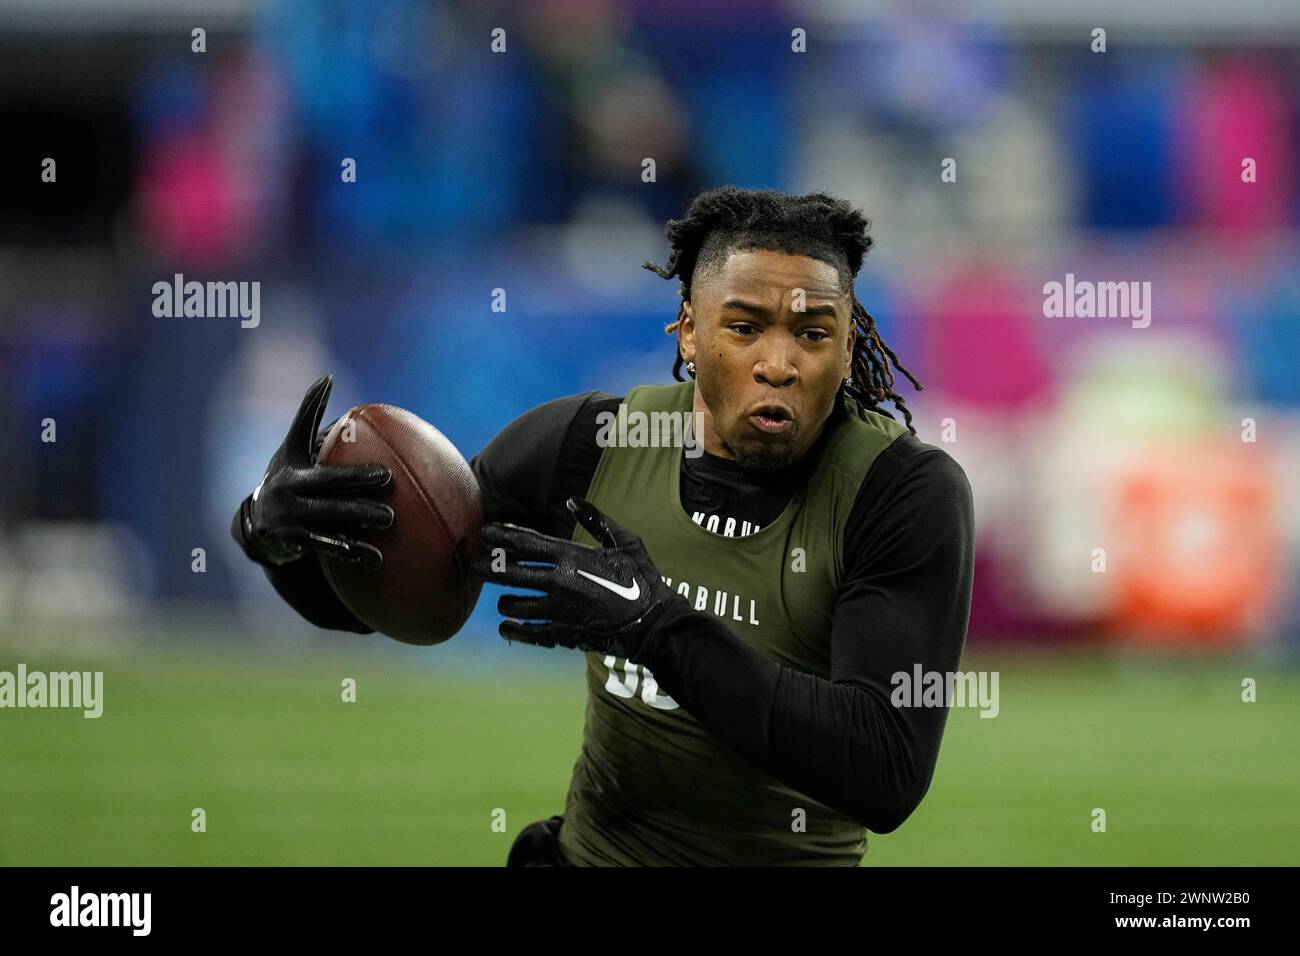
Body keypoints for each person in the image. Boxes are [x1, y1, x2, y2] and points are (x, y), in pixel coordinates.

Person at [232, 186, 975, 866]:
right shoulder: (587, 447)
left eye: (812, 334)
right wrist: (280, 542)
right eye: (744, 327)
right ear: (688, 332)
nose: (778, 363)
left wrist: (657, 627)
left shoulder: (900, 492)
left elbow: (884, 772)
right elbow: (398, 593)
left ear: (847, 347)